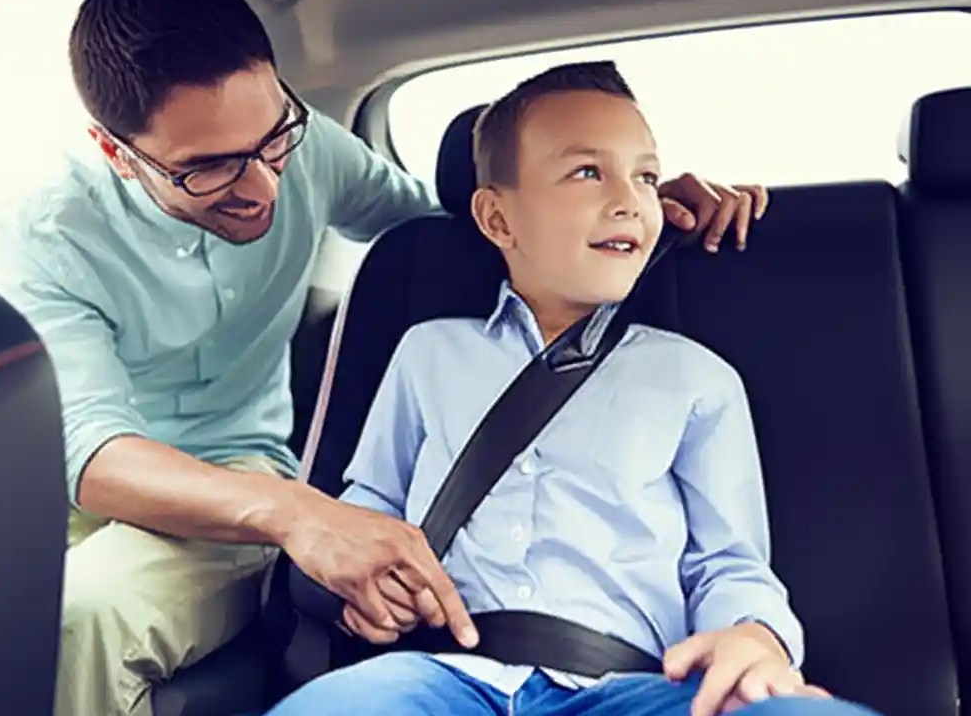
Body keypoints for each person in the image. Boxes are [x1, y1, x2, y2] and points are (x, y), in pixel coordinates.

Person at [0, 0, 777, 714]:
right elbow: (93, 453)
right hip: (96, 486)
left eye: (273, 141)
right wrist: (306, 516)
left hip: (242, 470)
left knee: (83, 617)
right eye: (211, 167)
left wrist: (627, 206)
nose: (263, 186)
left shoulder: (314, 155)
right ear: (116, 151)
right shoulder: (47, 237)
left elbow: (450, 235)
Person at [264, 62, 881, 716]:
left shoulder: (696, 378)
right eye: (588, 172)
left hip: (633, 689)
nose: (628, 200)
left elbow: (728, 562)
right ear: (497, 219)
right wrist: (365, 584)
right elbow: (370, 509)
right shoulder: (428, 352)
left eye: (645, 177)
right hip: (440, 680)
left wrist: (754, 637)